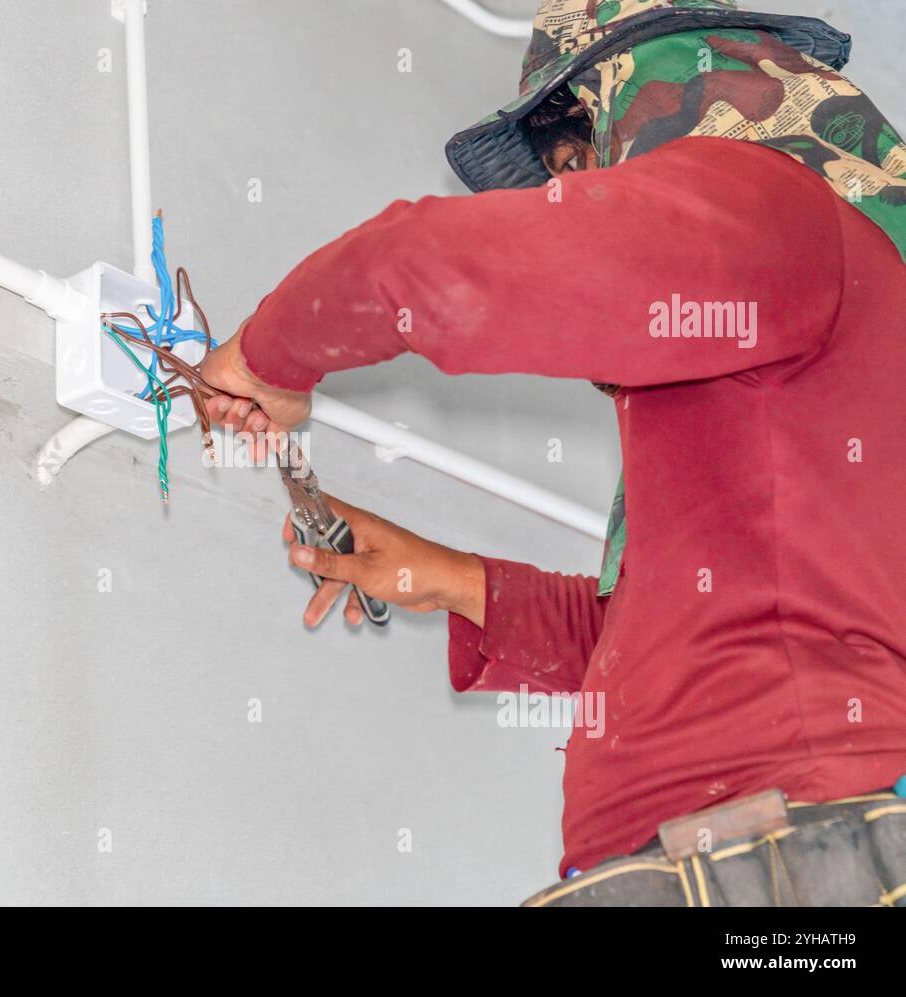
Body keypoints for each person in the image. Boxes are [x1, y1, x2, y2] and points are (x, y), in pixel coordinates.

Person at [198, 0, 906, 906]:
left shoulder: (766, 208)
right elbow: (676, 638)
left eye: (575, 163)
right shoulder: (823, 320)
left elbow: (431, 269)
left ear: (642, 99)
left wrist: (268, 356)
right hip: (768, 852)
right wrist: (449, 578)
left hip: (772, 859)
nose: (571, 196)